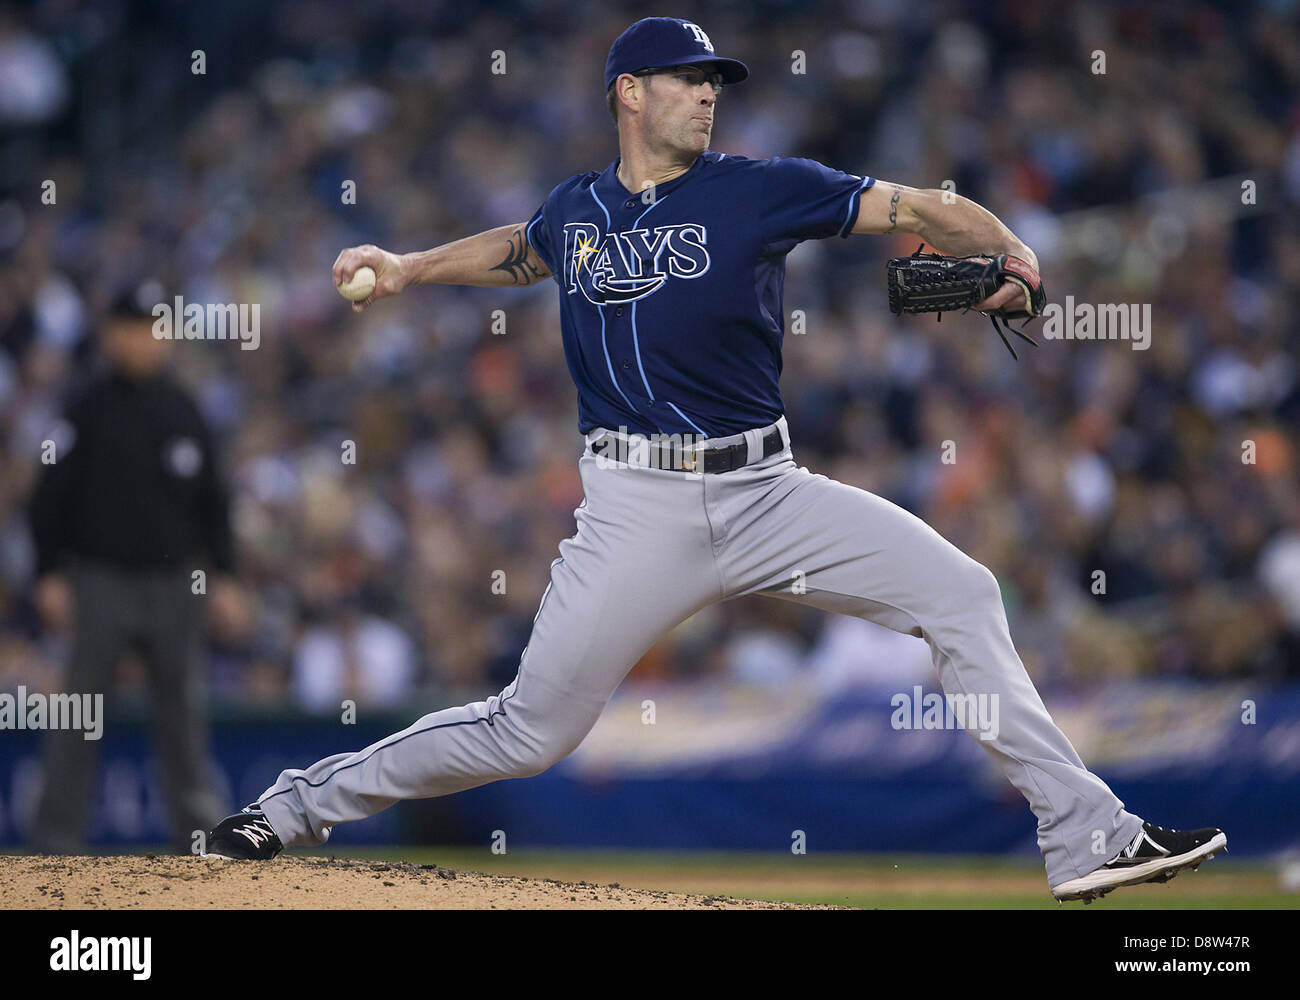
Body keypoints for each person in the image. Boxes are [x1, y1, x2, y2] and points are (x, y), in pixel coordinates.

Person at [206, 17, 1225, 903]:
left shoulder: (759, 191)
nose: (706, 97)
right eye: (689, 81)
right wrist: (410, 267)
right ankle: (291, 810)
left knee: (961, 590)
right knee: (528, 731)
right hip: (634, 509)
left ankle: (1086, 835)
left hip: (766, 490)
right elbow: (524, 247)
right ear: (629, 93)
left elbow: (915, 206)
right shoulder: (579, 212)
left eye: (714, 83)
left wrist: (1012, 251)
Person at [29, 286, 239, 853]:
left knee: (182, 717)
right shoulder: (86, 408)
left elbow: (214, 501)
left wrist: (224, 574)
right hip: (100, 582)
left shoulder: (183, 408)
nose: (151, 338)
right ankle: (55, 842)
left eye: (157, 326)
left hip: (176, 586)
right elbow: (48, 497)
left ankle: (200, 842)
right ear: (112, 335)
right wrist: (49, 571)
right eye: (139, 326)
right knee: (79, 713)